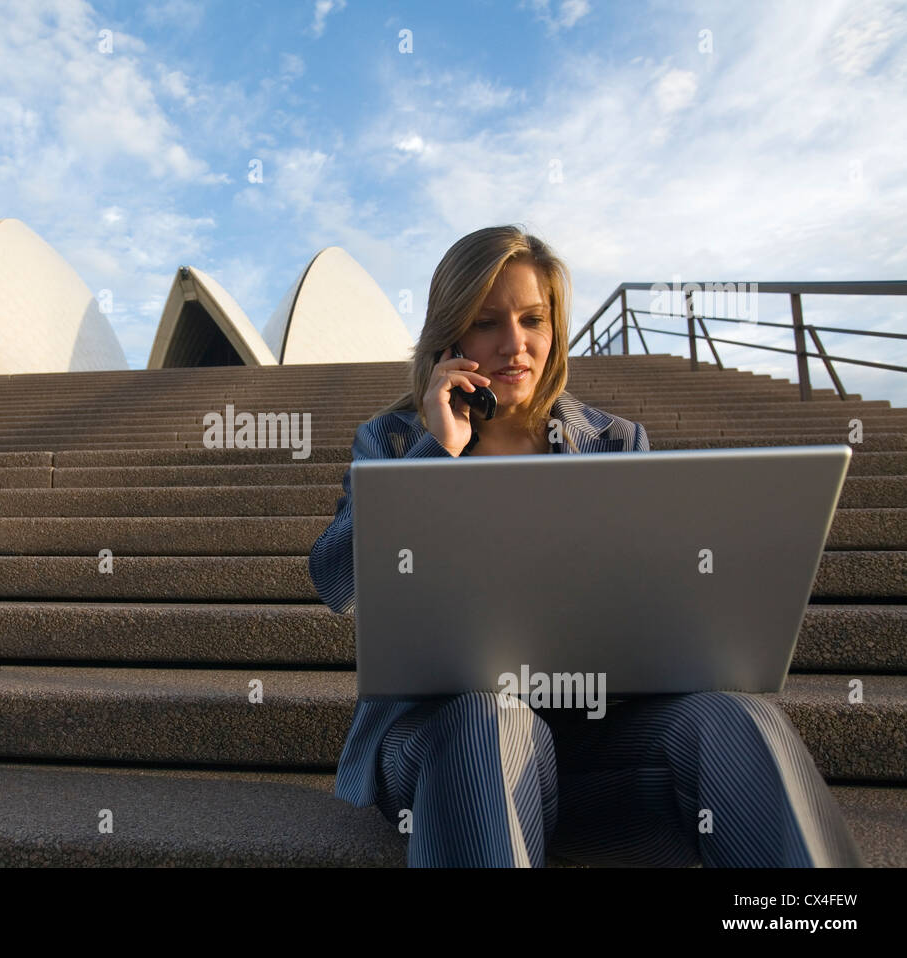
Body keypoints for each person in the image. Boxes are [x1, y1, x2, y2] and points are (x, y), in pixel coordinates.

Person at [308, 225, 865, 868]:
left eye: (532, 319)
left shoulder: (615, 442)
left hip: (602, 744)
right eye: (488, 323)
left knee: (742, 721)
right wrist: (439, 453)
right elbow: (336, 583)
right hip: (450, 746)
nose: (515, 345)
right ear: (450, 336)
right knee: (490, 725)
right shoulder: (394, 441)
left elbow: (671, 610)